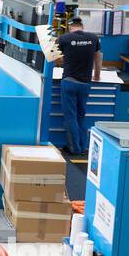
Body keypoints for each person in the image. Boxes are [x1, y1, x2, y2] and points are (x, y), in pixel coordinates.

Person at [53, 17, 101, 157]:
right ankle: (83, 147)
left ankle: (74, 149)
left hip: (69, 82)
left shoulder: (63, 39)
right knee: (81, 116)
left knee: (70, 117)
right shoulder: (93, 38)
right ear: (82, 26)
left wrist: (65, 58)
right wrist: (97, 75)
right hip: (85, 83)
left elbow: (54, 60)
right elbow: (98, 57)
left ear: (70, 27)